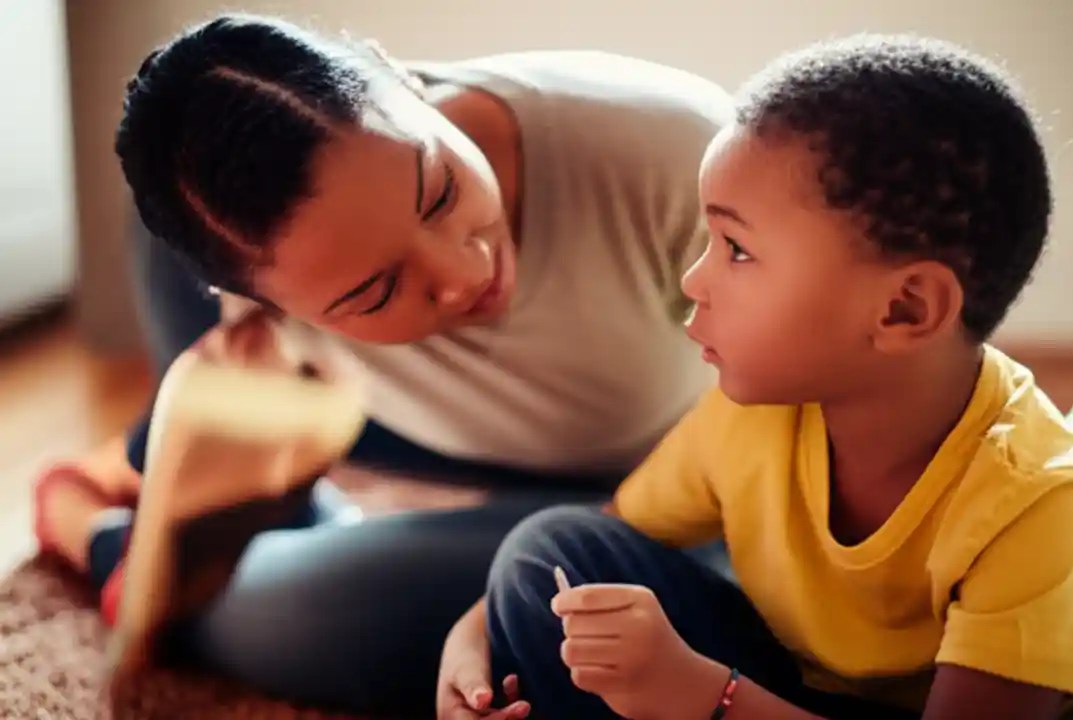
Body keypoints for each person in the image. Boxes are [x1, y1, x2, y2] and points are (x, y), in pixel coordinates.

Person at [31, 12, 731, 715]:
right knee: (167, 240)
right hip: (410, 438)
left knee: (267, 615)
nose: (467, 271)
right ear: (258, 308)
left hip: (660, 485)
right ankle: (172, 501)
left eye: (441, 192)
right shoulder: (247, 286)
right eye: (377, 290)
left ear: (402, 81)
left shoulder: (673, 151)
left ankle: (107, 534)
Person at [458, 35, 1073, 719]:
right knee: (548, 556)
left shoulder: (1034, 504)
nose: (695, 279)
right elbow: (618, 529)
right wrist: (472, 635)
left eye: (738, 250)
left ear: (904, 309)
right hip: (790, 684)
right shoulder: (755, 412)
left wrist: (707, 697)